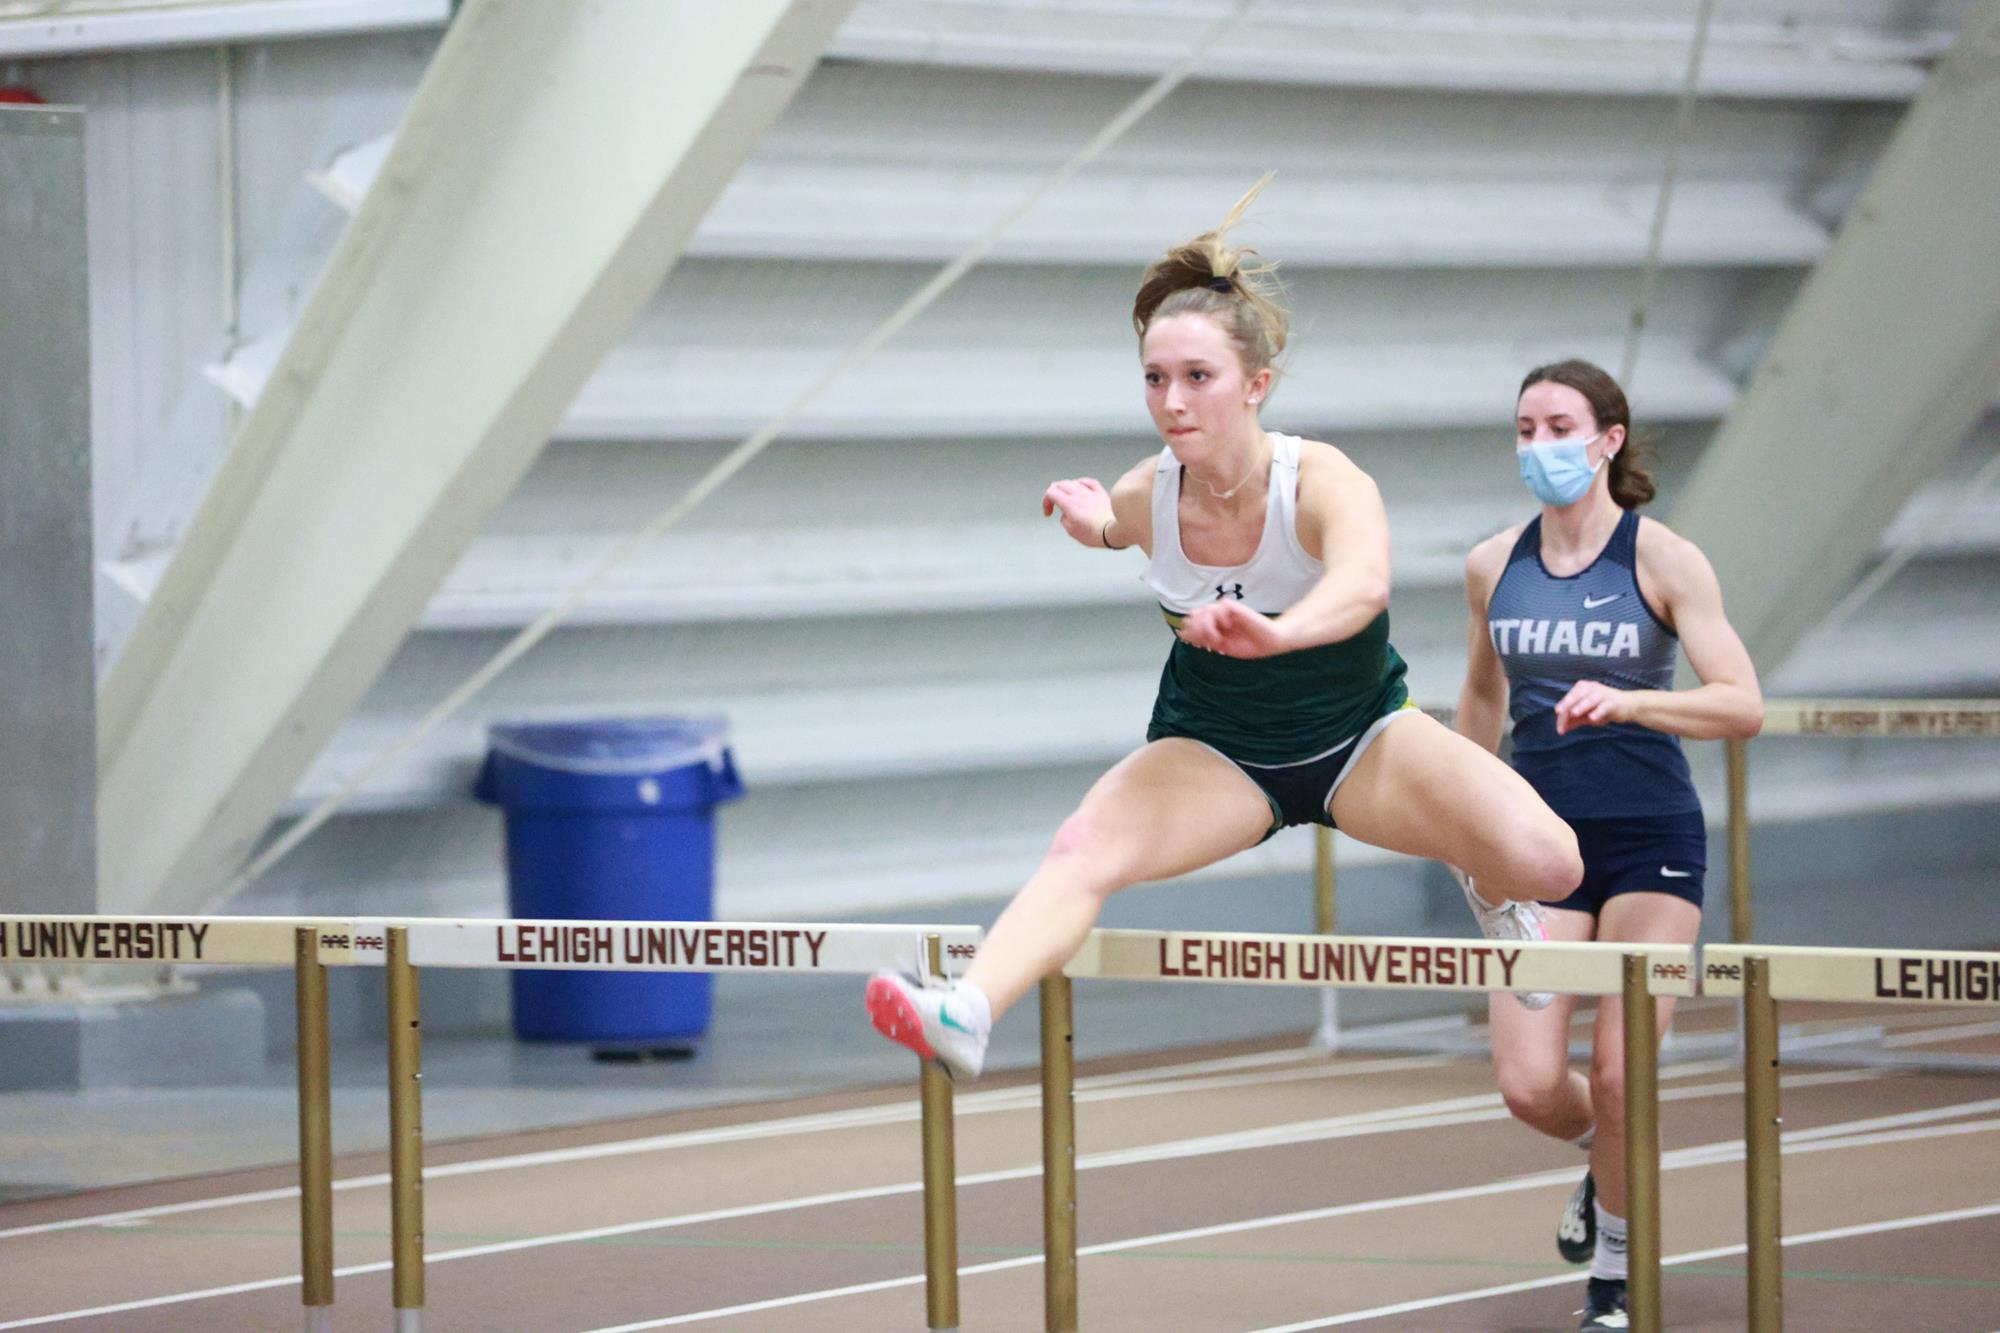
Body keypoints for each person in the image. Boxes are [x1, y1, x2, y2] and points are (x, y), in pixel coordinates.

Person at [864, 180, 1583, 1091]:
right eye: (1155, 379)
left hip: (1363, 741)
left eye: (1197, 378)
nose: (1172, 401)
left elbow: (1363, 584)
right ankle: (968, 1010)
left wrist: (1280, 636)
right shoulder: (1146, 492)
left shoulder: (1319, 480)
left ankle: (1487, 881)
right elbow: (1116, 529)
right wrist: (1089, 519)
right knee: (1084, 846)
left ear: (1256, 386)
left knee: (1554, 863)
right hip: (1217, 756)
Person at [1456, 358, 1763, 1331]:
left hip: (1648, 843)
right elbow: (1477, 696)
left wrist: (1631, 699)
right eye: (1522, 428)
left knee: (1626, 1066)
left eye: (1556, 426)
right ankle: (1606, 1156)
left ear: (1606, 440)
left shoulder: (1662, 558)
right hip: (1537, 847)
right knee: (1528, 1084)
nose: (1537, 445)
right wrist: (1458, 808)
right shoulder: (1489, 564)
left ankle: (1613, 1280)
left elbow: (1740, 702)